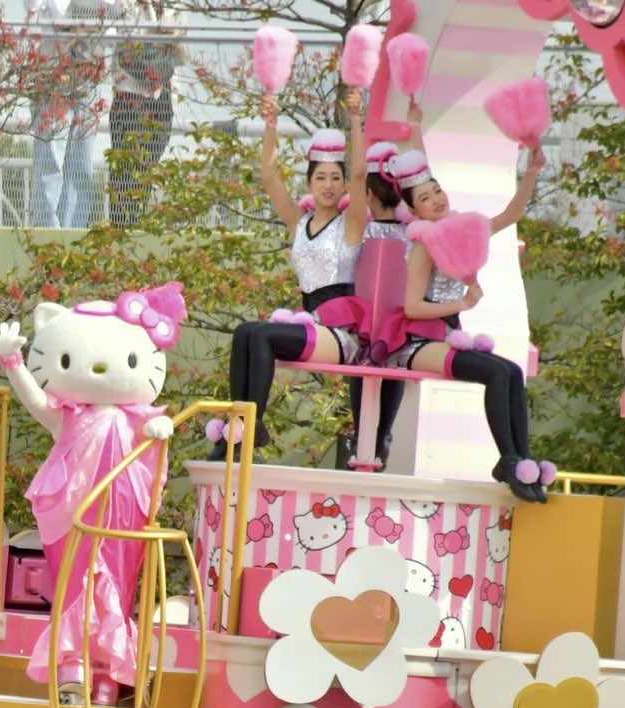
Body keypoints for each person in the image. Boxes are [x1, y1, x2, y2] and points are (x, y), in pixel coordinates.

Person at [221, 90, 406, 468]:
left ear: (342, 186)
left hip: (340, 333)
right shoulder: (299, 222)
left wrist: (355, 118)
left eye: (334, 178)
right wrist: (270, 123)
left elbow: (360, 173)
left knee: (263, 334)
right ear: (310, 183)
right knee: (244, 332)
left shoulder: (351, 224)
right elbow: (269, 175)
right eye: (320, 177)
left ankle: (252, 429)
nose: (327, 184)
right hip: (307, 322)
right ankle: (238, 432)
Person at [386, 141, 548, 500]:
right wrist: (462, 301)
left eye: (437, 190)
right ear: (414, 210)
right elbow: (411, 307)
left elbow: (510, 215)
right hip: (418, 342)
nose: (437, 199)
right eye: (425, 198)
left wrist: (532, 170)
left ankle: (522, 460)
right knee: (495, 373)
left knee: (513, 372)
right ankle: (508, 459)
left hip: (448, 336)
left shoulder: (463, 230)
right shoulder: (424, 246)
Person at [30, 0, 106, 230]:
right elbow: (33, 7)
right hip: (52, 73)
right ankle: (47, 238)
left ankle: (74, 237)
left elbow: (111, 15)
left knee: (81, 166)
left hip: (89, 76)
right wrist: (73, 24)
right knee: (49, 163)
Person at [107, 0, 183, 226]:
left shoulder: (173, 6)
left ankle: (140, 226)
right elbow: (129, 54)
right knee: (127, 171)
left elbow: (182, 55)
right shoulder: (125, 4)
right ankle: (122, 230)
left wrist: (167, 43)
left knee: (148, 168)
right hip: (130, 96)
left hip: (163, 99)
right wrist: (161, 49)